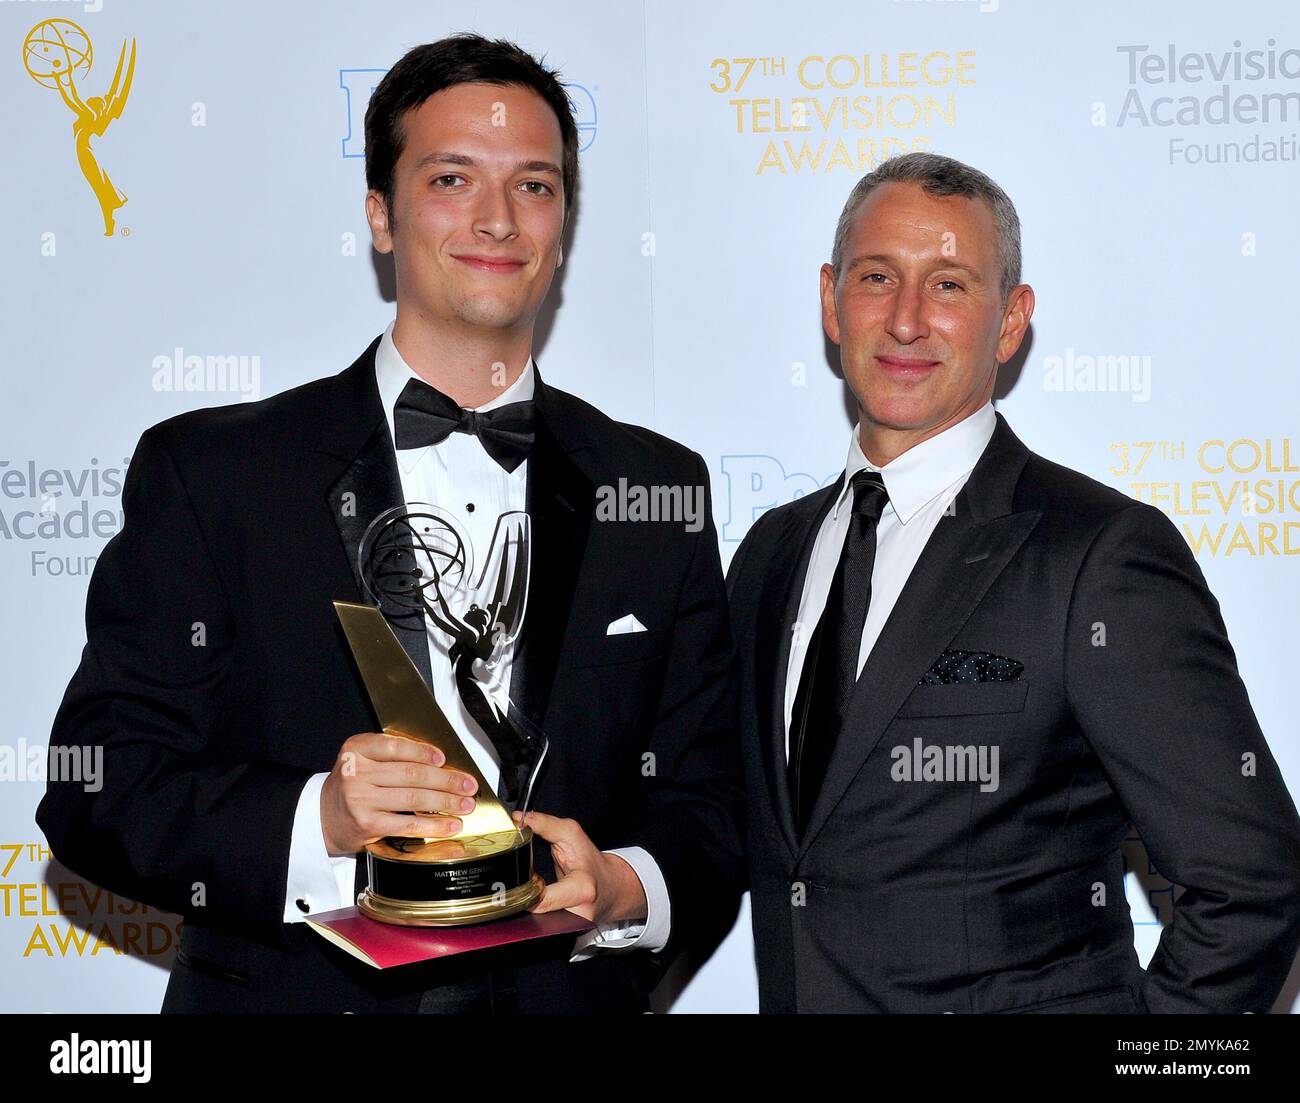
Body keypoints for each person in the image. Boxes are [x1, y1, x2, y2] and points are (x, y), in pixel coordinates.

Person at [37, 33, 743, 1014]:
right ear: (380, 215)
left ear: (564, 221)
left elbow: (711, 806)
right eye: (452, 177)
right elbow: (99, 788)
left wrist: (625, 886)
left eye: (533, 185)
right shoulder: (218, 474)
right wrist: (318, 818)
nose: (497, 218)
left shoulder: (654, 487)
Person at [725, 151, 1300, 1013]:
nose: (908, 320)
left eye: (950, 284)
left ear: (1010, 321)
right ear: (830, 301)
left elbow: (1252, 881)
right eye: (878, 276)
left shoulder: (1100, 554)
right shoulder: (772, 553)